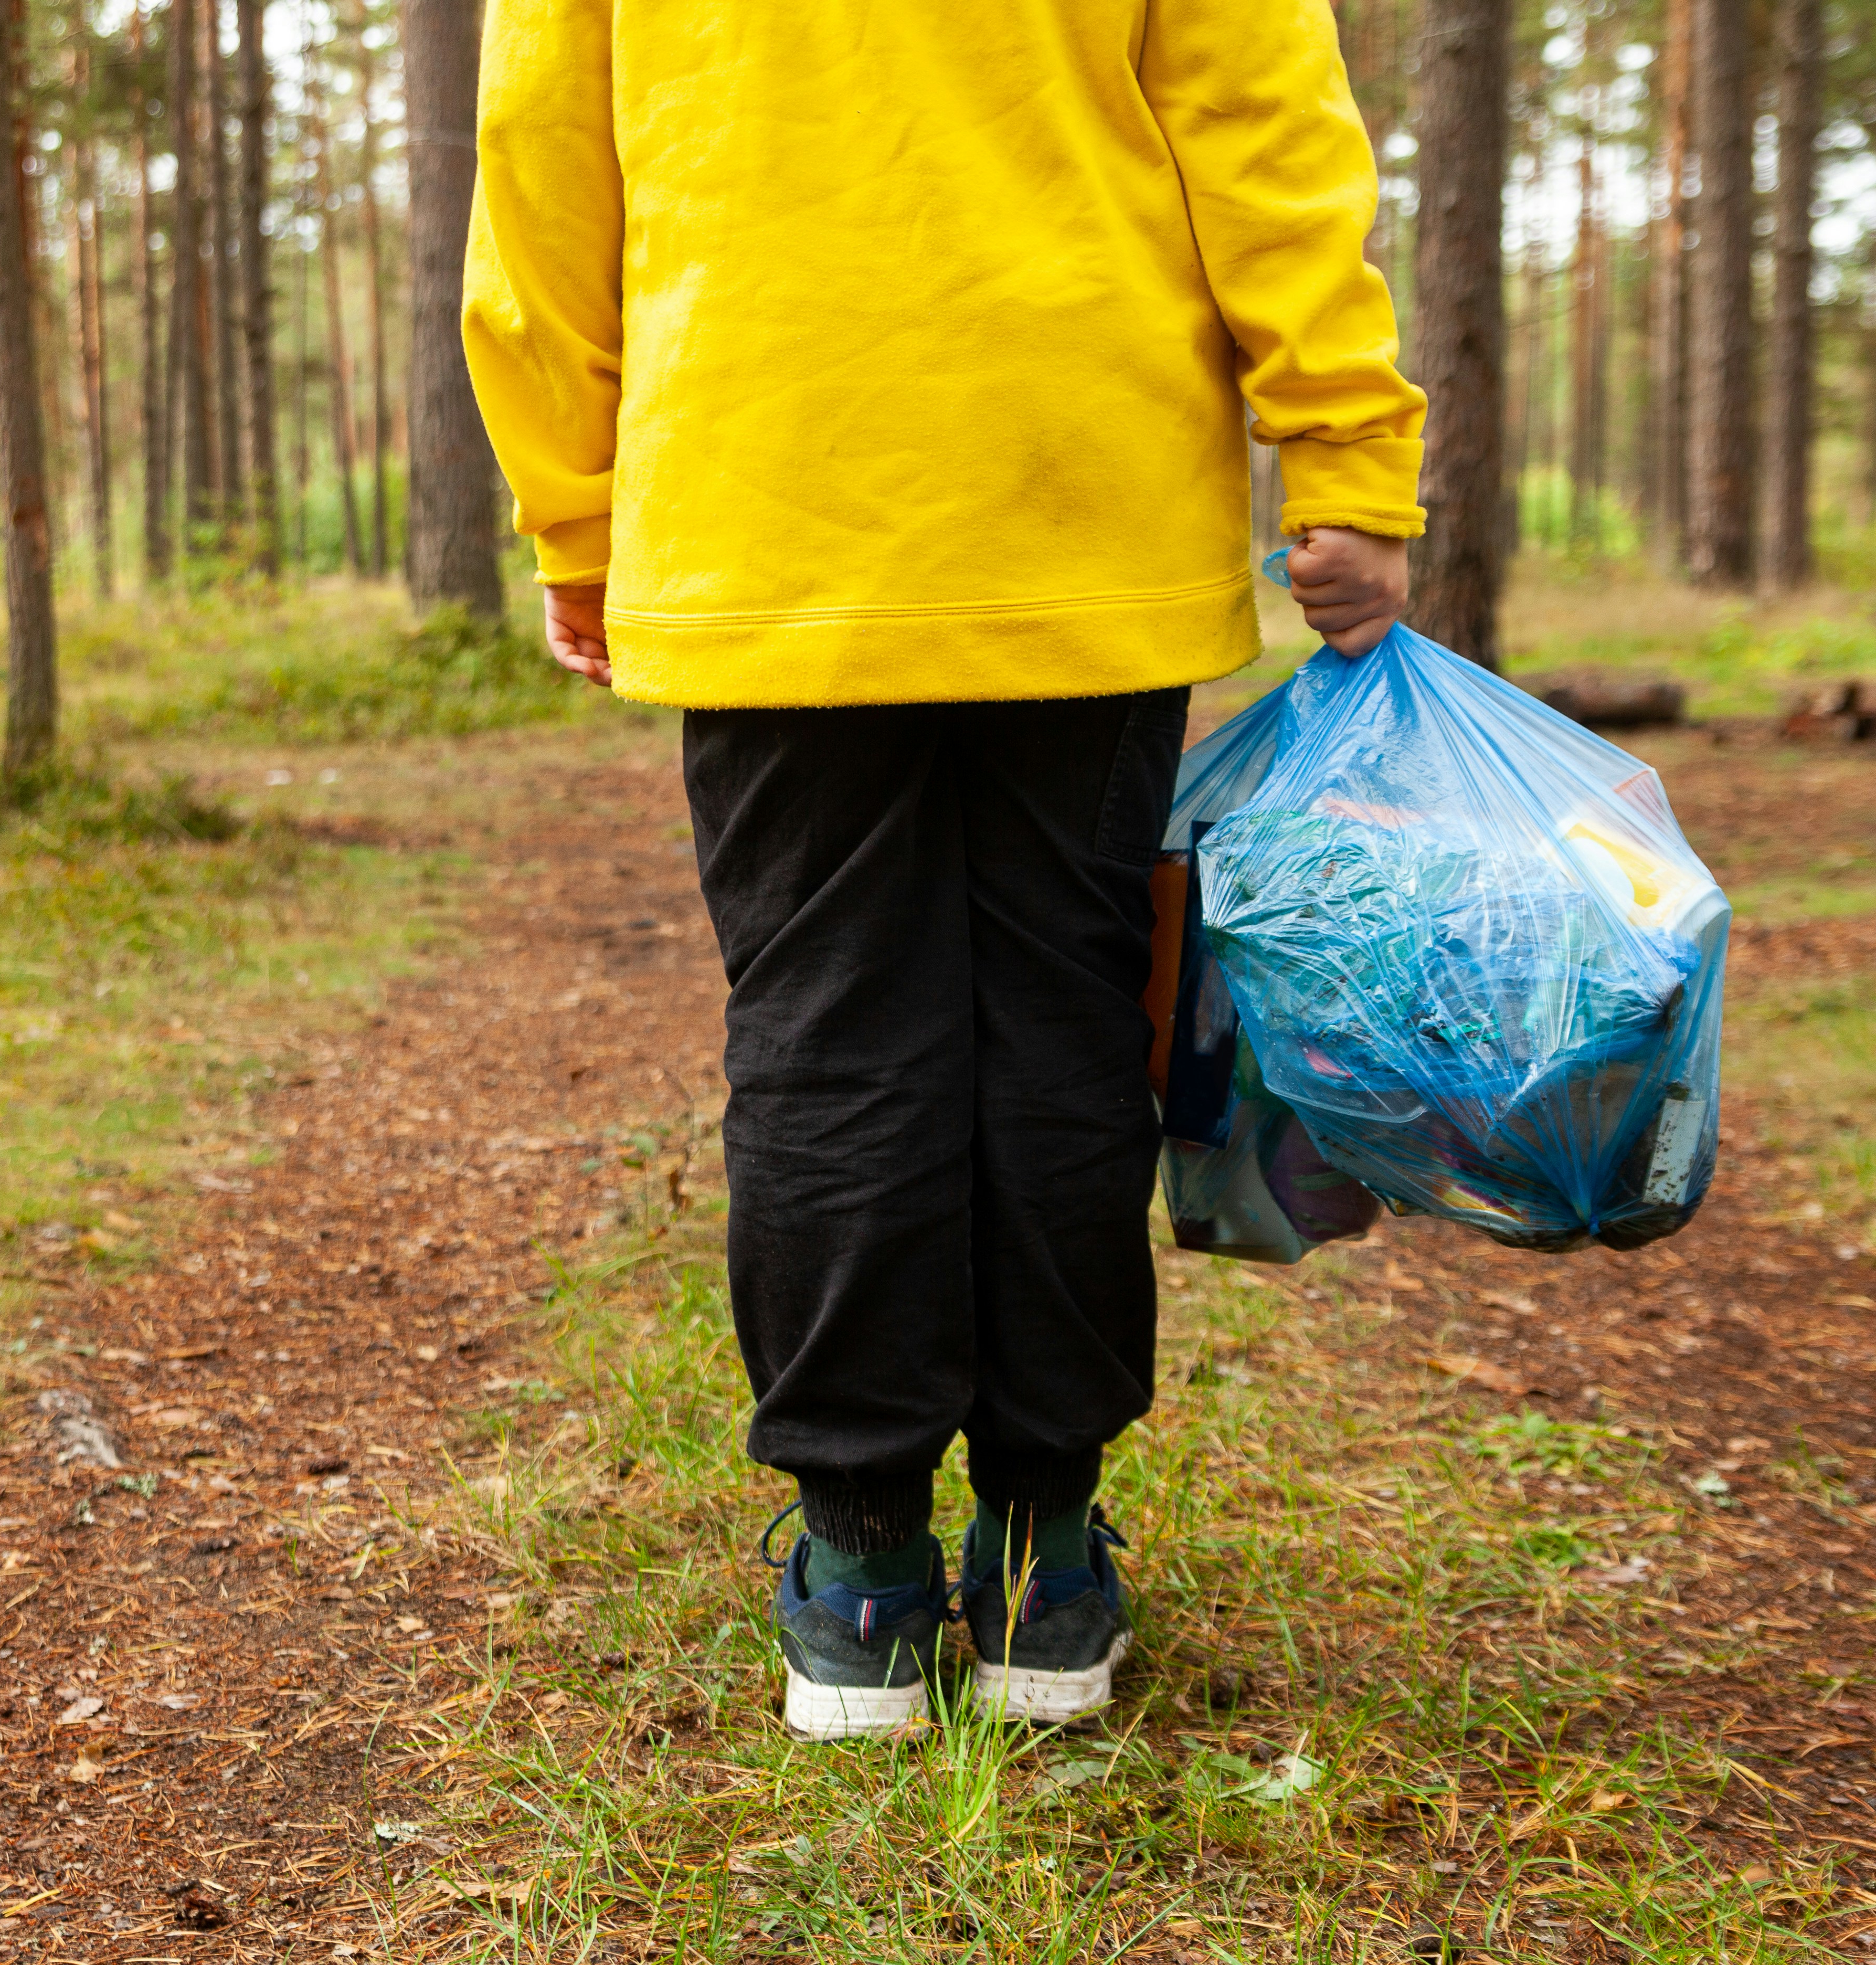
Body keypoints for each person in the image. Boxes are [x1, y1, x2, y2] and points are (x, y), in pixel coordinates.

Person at [464, 0, 1425, 1738]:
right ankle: (1047, 1562)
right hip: (1083, 495)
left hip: (766, 495)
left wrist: (576, 508)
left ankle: (862, 1580)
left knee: (831, 1033)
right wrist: (1345, 447)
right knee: (1059, 1023)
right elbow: (1264, 121)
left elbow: (547, 177)